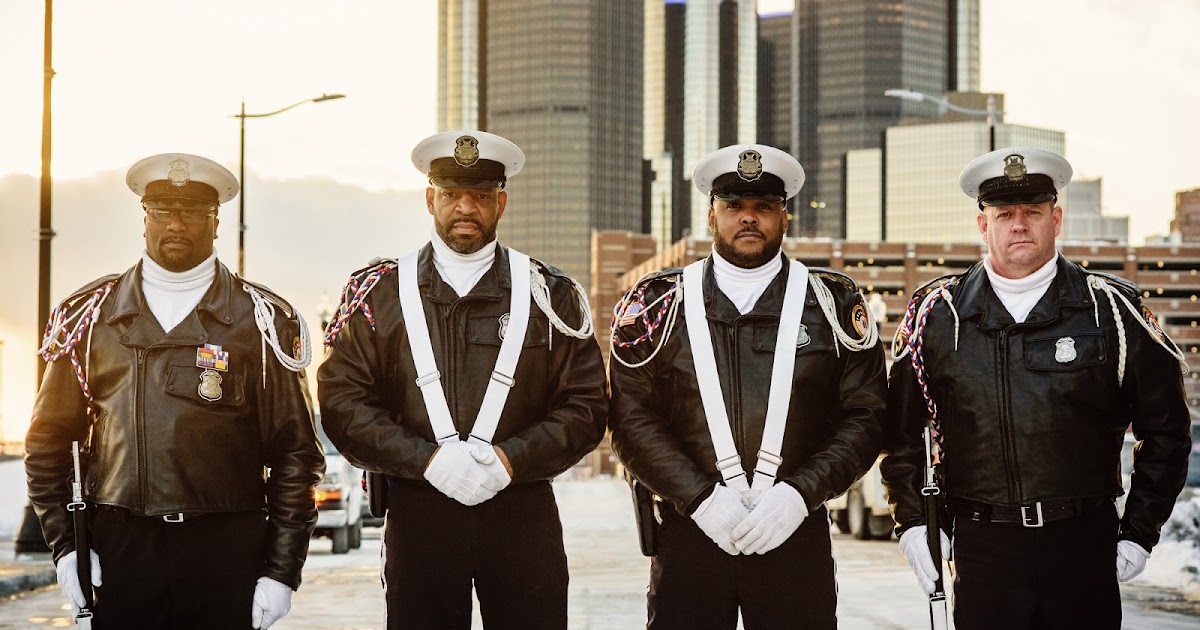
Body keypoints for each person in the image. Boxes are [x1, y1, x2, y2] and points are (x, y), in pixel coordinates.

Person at [881, 146, 1192, 629]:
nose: (1019, 225)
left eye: (1033, 212)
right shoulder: (937, 316)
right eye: (1004, 214)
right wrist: (915, 523)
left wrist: (1138, 530)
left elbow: (1167, 429)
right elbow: (900, 435)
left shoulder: (1111, 312)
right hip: (985, 549)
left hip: (1083, 545)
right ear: (984, 226)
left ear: (1057, 218)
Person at [317, 129, 607, 629]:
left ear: (502, 202)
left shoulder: (550, 294)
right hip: (419, 508)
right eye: (451, 194)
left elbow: (585, 406)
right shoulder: (379, 293)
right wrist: (425, 461)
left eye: (480, 196)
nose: (466, 207)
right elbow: (343, 403)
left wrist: (511, 460)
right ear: (430, 199)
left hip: (521, 510)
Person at [25, 152, 324, 628]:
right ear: (144, 219)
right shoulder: (89, 317)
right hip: (122, 549)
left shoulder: (262, 321)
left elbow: (296, 455)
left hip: (226, 551)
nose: (176, 224)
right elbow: (47, 444)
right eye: (162, 211)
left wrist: (281, 570)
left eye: (193, 213)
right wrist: (65, 548)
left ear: (217, 222)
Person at [608, 143, 887, 628]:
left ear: (785, 217)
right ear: (711, 216)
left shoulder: (832, 304)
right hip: (691, 530)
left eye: (764, 207)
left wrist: (800, 494)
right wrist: (698, 498)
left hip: (793, 529)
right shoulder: (659, 303)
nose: (749, 219)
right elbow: (630, 416)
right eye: (734, 206)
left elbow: (866, 415)